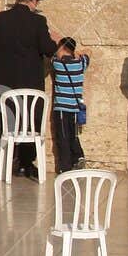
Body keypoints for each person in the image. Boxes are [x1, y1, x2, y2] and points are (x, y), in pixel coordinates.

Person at [0, 0, 57, 177]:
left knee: (5, 119)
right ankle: (25, 162)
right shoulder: (38, 21)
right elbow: (48, 49)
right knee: (29, 121)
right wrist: (56, 41)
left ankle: (2, 161)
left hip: (4, 83)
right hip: (30, 84)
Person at [49, 37, 90, 174]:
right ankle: (78, 156)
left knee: (63, 136)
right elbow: (86, 55)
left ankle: (65, 167)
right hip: (75, 108)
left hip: (61, 107)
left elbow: (52, 56)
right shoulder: (80, 64)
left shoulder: (57, 64)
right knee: (73, 134)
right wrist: (75, 52)